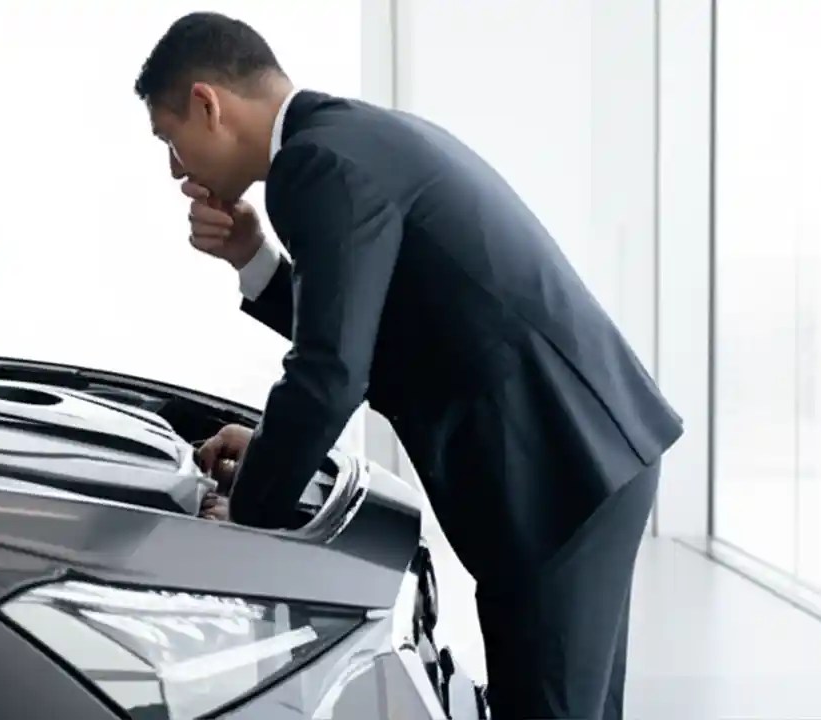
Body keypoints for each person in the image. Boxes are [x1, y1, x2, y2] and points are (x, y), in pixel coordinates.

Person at [134, 12, 682, 720]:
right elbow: (368, 333)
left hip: (559, 465)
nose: (177, 170)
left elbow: (331, 372)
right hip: (579, 451)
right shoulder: (347, 137)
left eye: (170, 142)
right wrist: (252, 259)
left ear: (208, 104)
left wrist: (244, 512)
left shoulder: (314, 164)